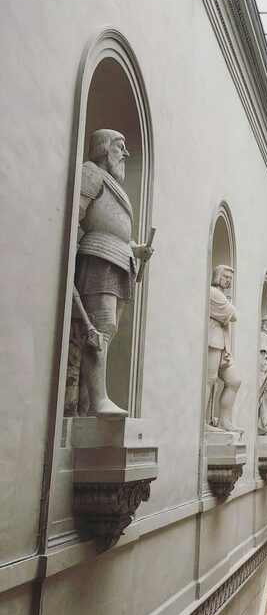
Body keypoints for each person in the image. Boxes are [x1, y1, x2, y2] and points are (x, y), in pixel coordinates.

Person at [65, 129, 154, 417]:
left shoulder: (115, 186)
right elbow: (76, 216)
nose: (126, 153)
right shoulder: (91, 173)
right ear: (103, 148)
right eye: (120, 146)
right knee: (99, 327)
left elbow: (111, 225)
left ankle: (88, 403)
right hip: (98, 254)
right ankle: (99, 399)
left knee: (109, 329)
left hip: (120, 258)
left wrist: (136, 249)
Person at [206, 265, 242, 433]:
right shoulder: (213, 292)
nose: (228, 280)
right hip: (213, 339)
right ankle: (203, 422)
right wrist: (230, 305)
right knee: (210, 379)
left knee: (234, 381)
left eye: (230, 278)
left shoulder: (221, 295)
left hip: (222, 343)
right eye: (225, 276)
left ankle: (224, 421)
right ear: (217, 276)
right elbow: (233, 315)